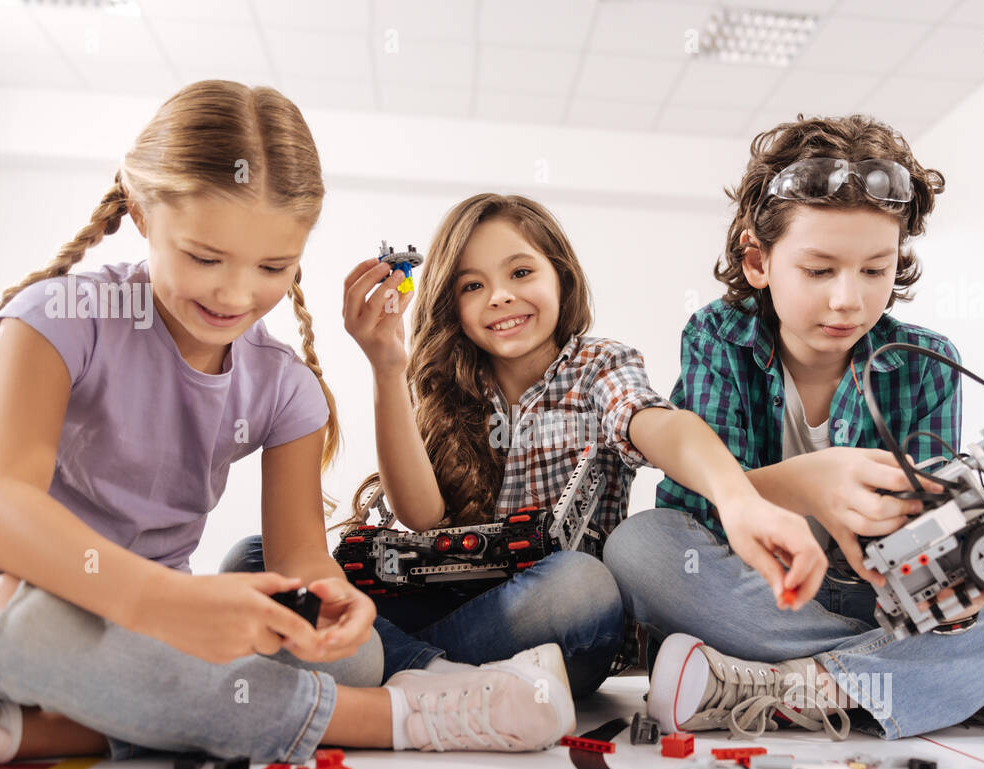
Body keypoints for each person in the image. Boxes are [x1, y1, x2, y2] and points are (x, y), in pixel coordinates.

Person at [0, 82, 575, 769]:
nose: (234, 294)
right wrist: (164, 603)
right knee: (26, 617)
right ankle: (400, 720)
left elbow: (302, 555)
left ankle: (9, 732)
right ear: (140, 213)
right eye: (204, 257)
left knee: (353, 657)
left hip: (143, 648)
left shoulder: (285, 388)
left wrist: (334, 604)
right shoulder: (60, 316)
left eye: (272, 268)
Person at [603, 114, 984, 742]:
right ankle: (983, 678)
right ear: (757, 260)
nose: (848, 299)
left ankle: (804, 686)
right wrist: (808, 482)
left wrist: (961, 565)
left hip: (887, 604)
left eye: (874, 270)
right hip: (771, 597)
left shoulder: (927, 360)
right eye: (819, 271)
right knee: (642, 548)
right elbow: (705, 501)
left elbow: (930, 519)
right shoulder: (718, 335)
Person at [224, 194, 823, 700]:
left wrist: (735, 496)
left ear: (560, 275)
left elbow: (656, 424)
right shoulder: (445, 387)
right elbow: (421, 515)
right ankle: (430, 676)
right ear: (453, 306)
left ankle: (392, 669)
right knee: (256, 559)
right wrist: (386, 364)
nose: (500, 297)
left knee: (584, 583)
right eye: (473, 285)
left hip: (548, 619)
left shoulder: (598, 365)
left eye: (520, 273)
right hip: (446, 606)